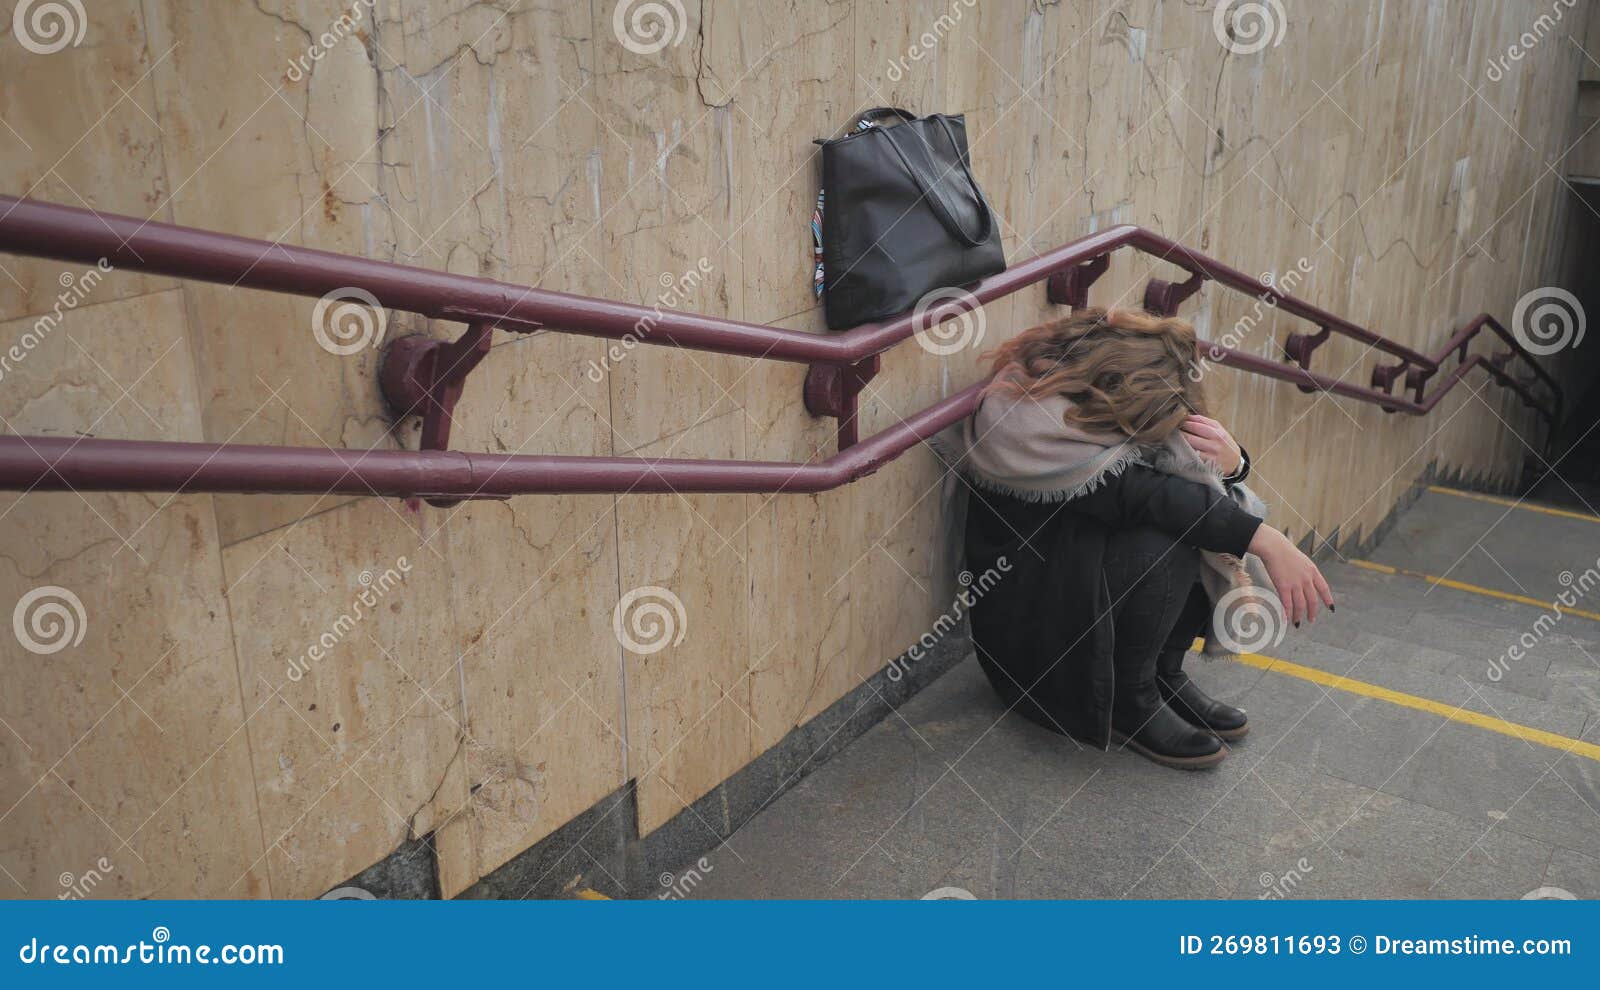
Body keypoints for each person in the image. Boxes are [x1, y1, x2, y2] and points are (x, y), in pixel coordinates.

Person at [941, 307, 1333, 769]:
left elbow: (1178, 476)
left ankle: (1161, 674)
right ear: (1117, 383)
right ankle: (1132, 697)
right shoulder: (1032, 424)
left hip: (1071, 596)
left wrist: (1235, 465)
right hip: (1035, 649)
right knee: (1168, 535)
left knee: (1189, 511)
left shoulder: (1085, 403)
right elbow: (1147, 496)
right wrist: (1267, 540)